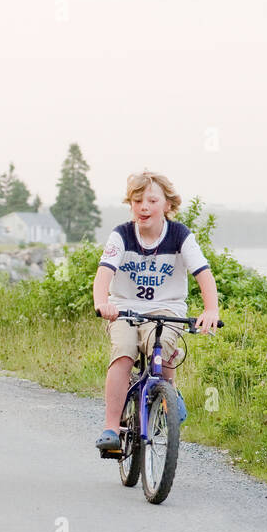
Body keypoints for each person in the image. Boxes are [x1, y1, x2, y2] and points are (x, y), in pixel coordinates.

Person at [93, 170, 220, 453]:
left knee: (160, 347)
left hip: (166, 308)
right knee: (124, 352)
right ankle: (111, 427)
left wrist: (211, 309)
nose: (144, 207)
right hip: (124, 309)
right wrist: (103, 303)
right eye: (137, 201)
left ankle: (168, 398)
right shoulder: (121, 235)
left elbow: (203, 273)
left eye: (151, 200)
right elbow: (104, 273)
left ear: (167, 205)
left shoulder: (180, 235)